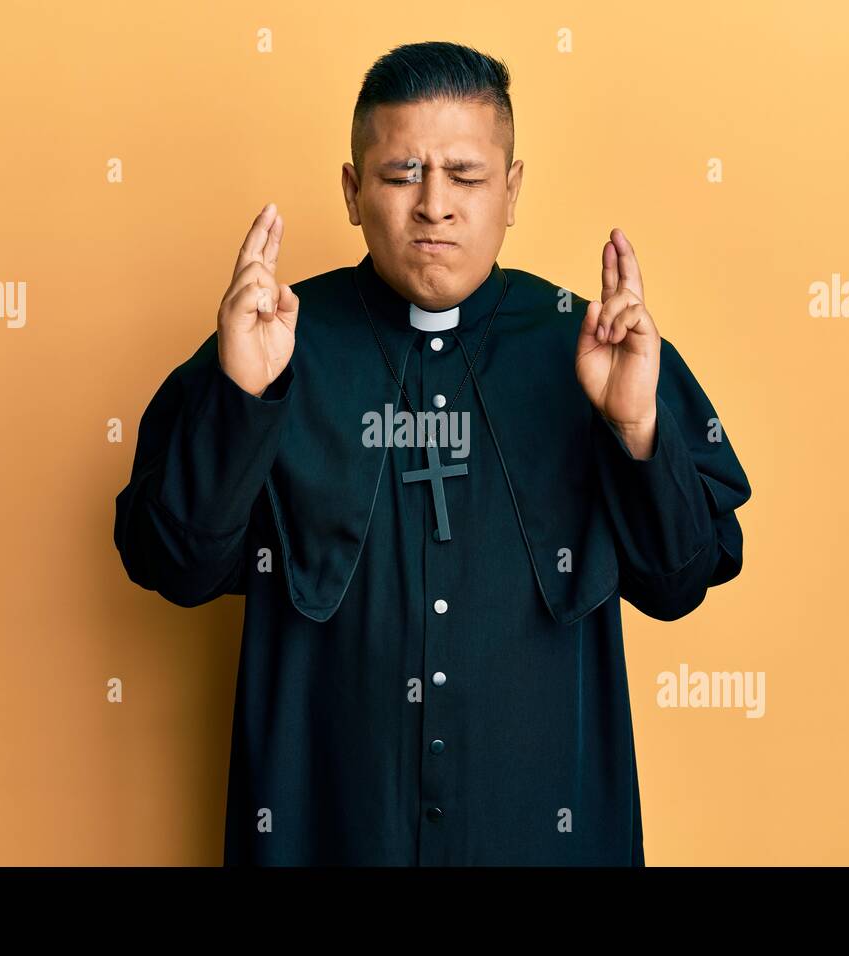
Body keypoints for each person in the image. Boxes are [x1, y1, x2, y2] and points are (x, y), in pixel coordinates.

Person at [113, 41, 751, 865]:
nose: (434, 206)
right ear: (352, 191)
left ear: (512, 189)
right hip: (327, 833)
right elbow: (175, 569)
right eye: (401, 174)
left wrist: (637, 433)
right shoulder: (269, 340)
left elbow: (681, 584)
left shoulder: (596, 344)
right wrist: (240, 401)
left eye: (467, 176)